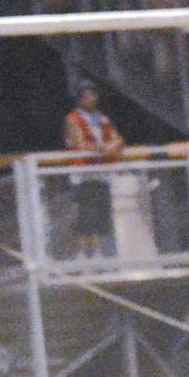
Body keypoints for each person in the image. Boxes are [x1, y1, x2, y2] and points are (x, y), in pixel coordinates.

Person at [63, 82, 124, 257]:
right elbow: (80, 144)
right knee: (86, 212)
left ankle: (100, 252)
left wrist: (113, 145)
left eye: (94, 95)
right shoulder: (73, 118)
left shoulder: (102, 118)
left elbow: (118, 139)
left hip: (101, 171)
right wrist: (104, 148)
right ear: (81, 98)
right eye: (89, 95)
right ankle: (83, 253)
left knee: (102, 209)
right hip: (83, 172)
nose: (93, 98)